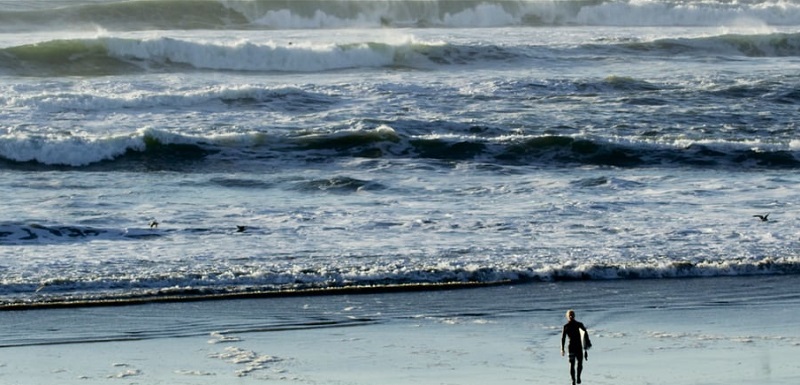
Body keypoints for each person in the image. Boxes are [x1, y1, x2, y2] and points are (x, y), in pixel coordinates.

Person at [561, 309, 589, 385]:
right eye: (570, 315)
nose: (571, 316)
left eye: (572, 315)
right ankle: (573, 380)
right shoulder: (566, 326)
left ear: (574, 316)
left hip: (578, 347)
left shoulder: (579, 325)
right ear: (567, 316)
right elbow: (563, 338)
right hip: (572, 347)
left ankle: (578, 377)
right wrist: (562, 349)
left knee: (579, 363)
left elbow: (585, 336)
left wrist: (586, 348)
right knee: (572, 364)